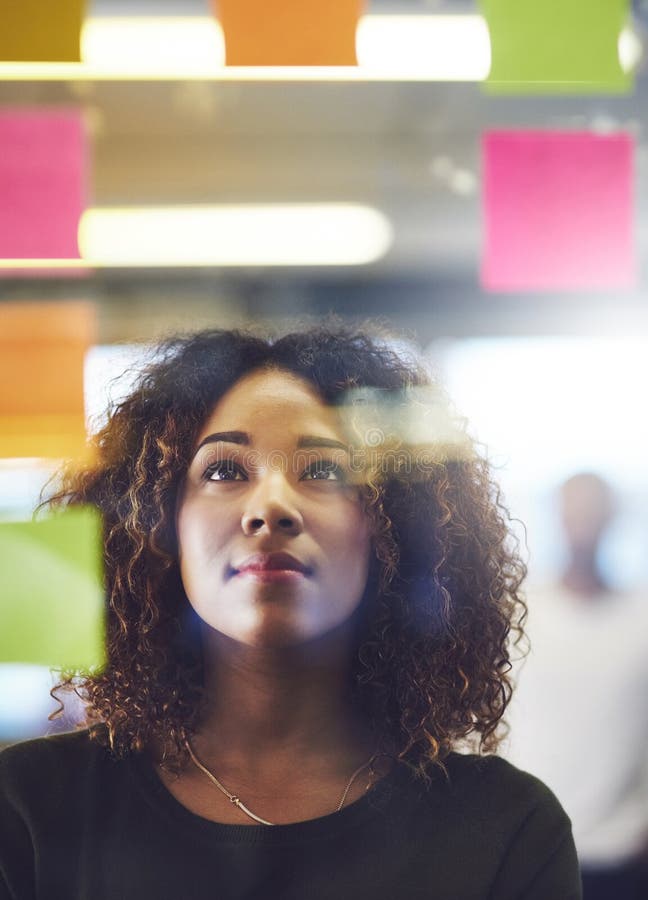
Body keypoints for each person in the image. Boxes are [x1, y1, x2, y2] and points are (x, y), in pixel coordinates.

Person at [0, 324, 582, 899]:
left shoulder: (507, 830)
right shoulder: (28, 809)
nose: (272, 505)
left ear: (391, 531)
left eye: (325, 471)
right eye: (225, 470)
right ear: (160, 527)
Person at [505, 472, 648, 899]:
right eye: (575, 510)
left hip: (618, 853)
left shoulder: (640, 619)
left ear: (613, 518)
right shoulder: (517, 613)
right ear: (558, 517)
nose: (584, 523)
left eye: (593, 510)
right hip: (528, 846)